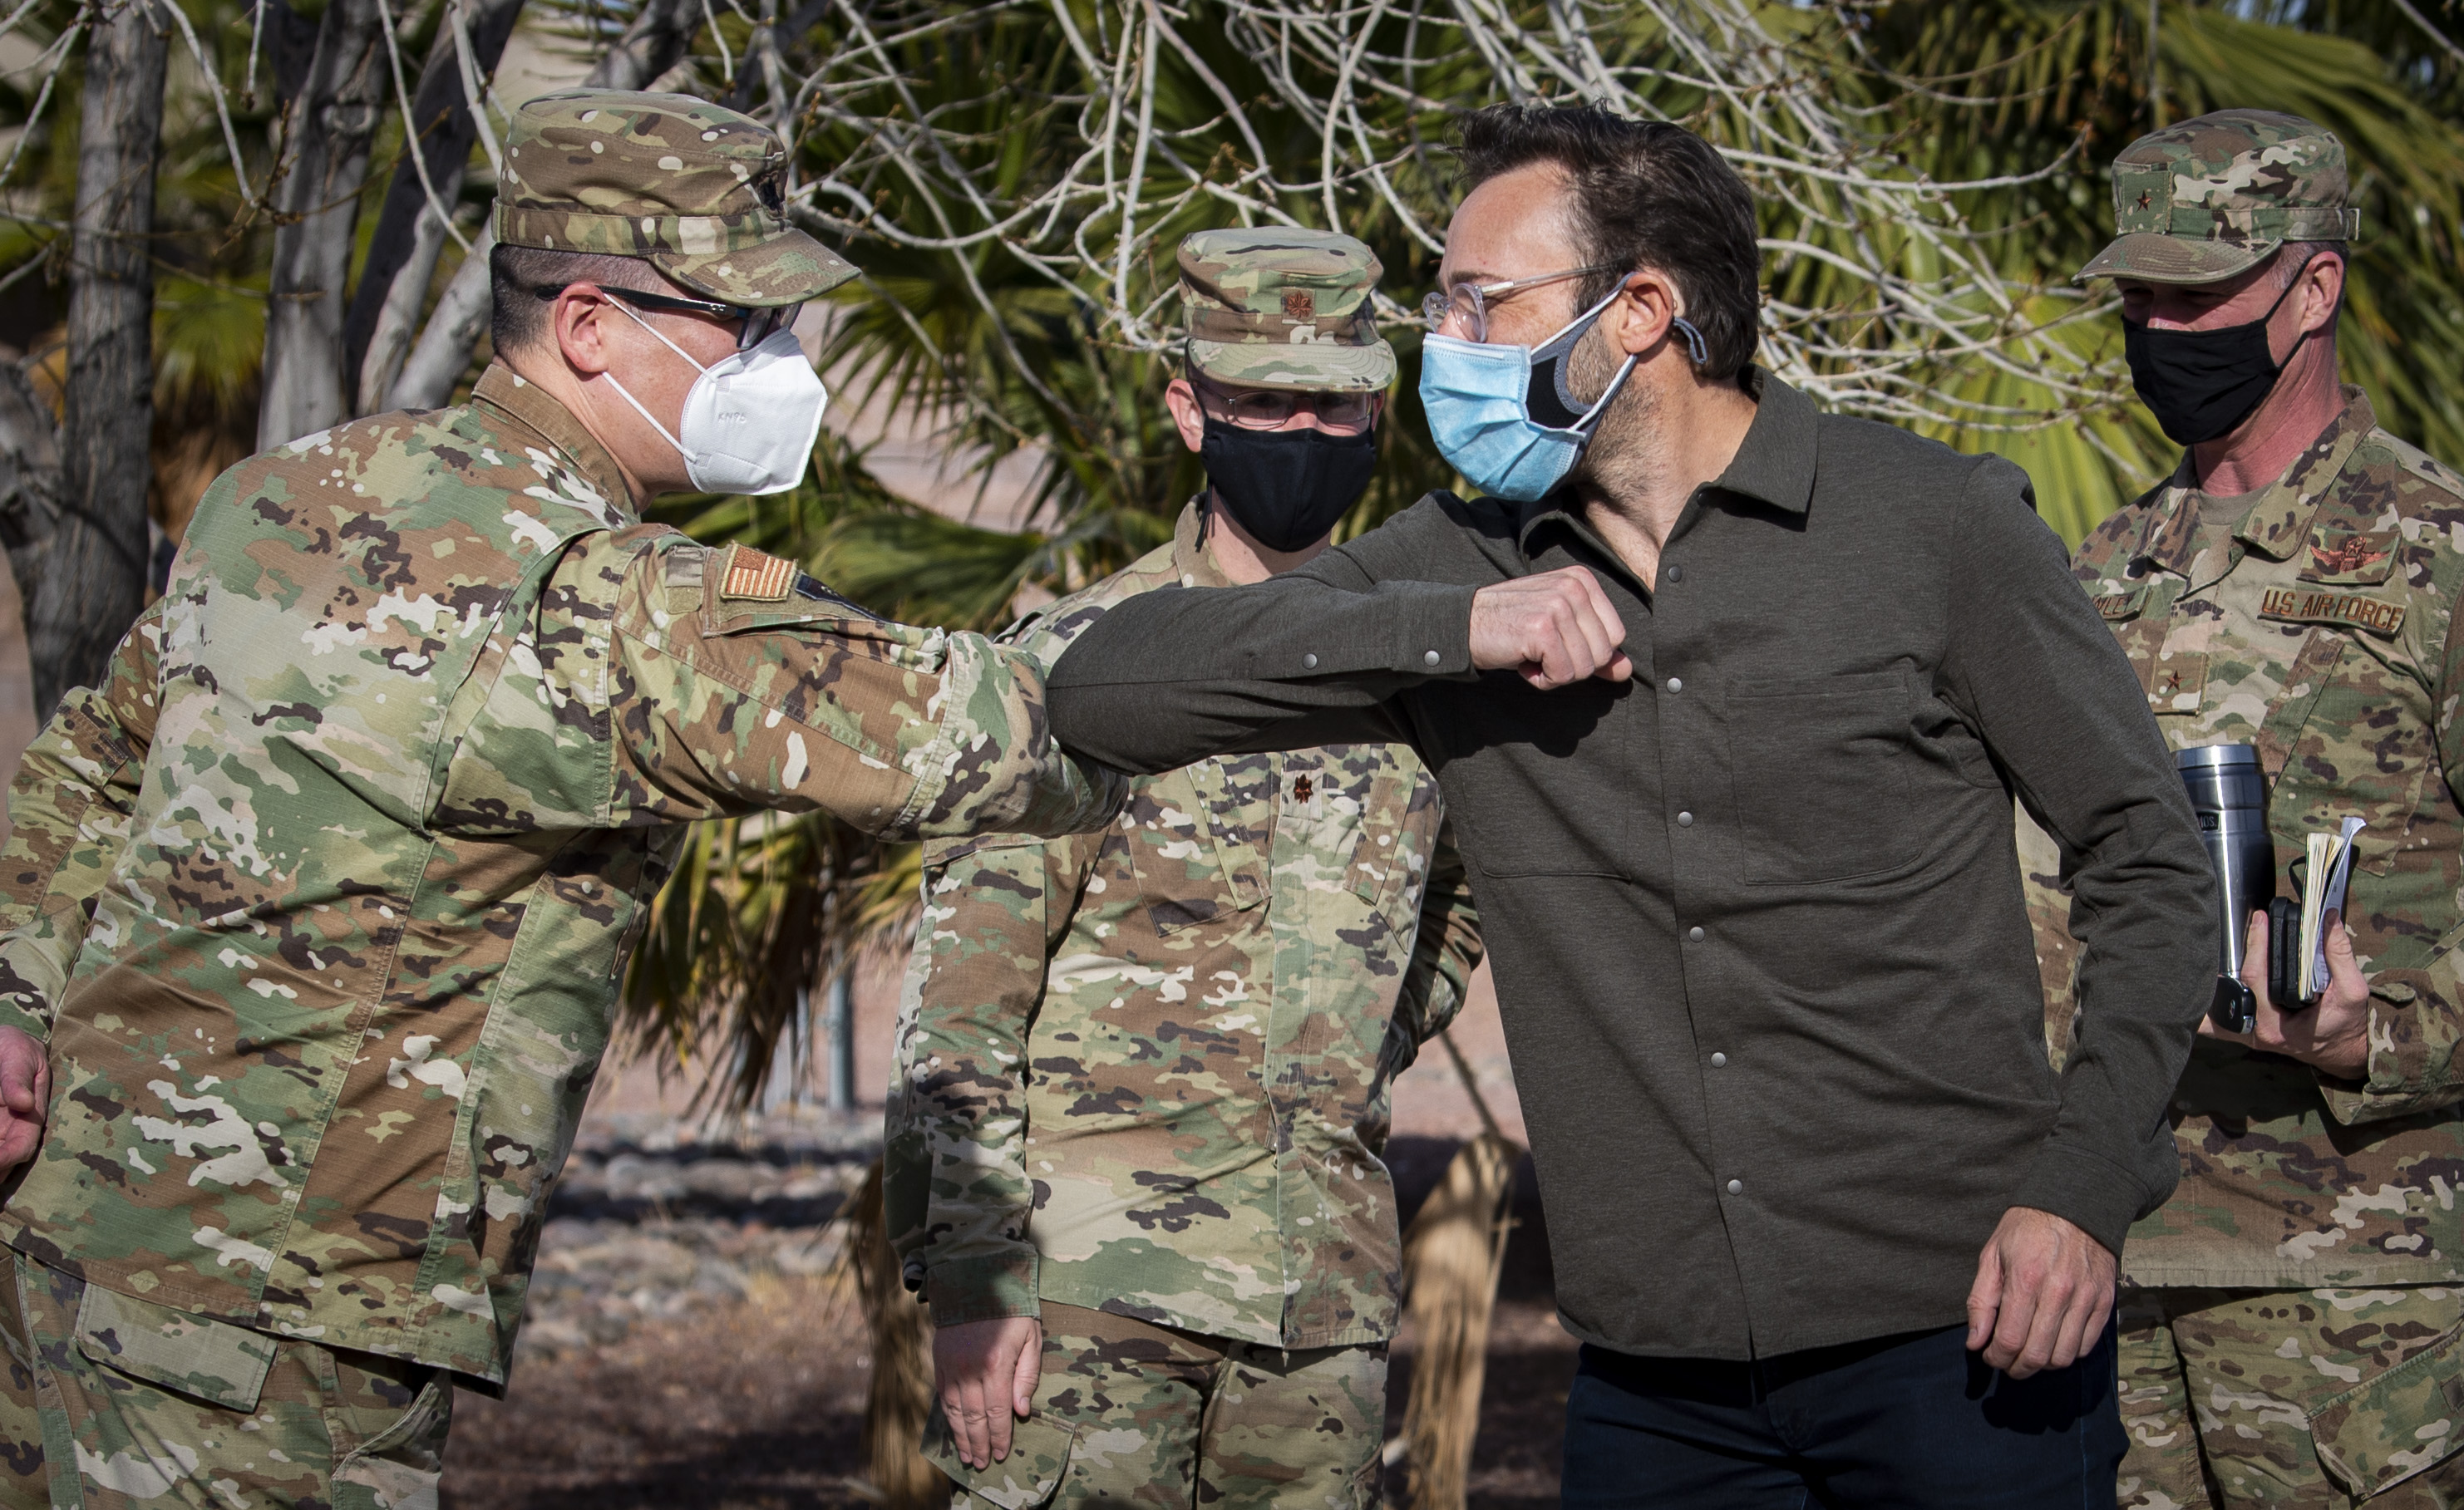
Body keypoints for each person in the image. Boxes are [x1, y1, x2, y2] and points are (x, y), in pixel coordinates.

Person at [1035, 103, 2222, 1507]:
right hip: (1657, 1389)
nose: (1446, 345)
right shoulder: (1458, 560)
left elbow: (2148, 858)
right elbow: (1103, 688)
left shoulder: (1937, 525)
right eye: (1441, 305)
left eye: (1483, 302)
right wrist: (1455, 629)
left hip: (1965, 1330)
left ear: (1641, 308)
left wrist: (2083, 1187)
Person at [0, 89, 1126, 1510]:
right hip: (279, 1340)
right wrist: (1374, 641)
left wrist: (15, 995)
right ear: (592, 327)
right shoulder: (592, 601)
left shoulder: (276, 498)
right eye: (748, 326)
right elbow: (1000, 735)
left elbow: (94, 767)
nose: (785, 366)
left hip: (69, 1253)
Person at [884, 228, 1484, 1508]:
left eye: (1332, 402)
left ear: (1379, 410)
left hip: (1319, 1298)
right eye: (1264, 400)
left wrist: (1370, 1027)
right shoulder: (1079, 659)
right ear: (1188, 408)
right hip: (1089, 1293)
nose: (1302, 430)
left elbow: (1462, 891)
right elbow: (961, 1002)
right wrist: (974, 1275)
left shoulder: (1425, 664)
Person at [2025, 110, 2464, 1510]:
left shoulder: (2434, 559)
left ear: (2314, 287)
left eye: (2196, 291)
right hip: (2109, 1279)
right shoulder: (2092, 574)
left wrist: (2375, 1035)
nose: (2159, 326)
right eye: (2139, 295)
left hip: (2360, 1311)